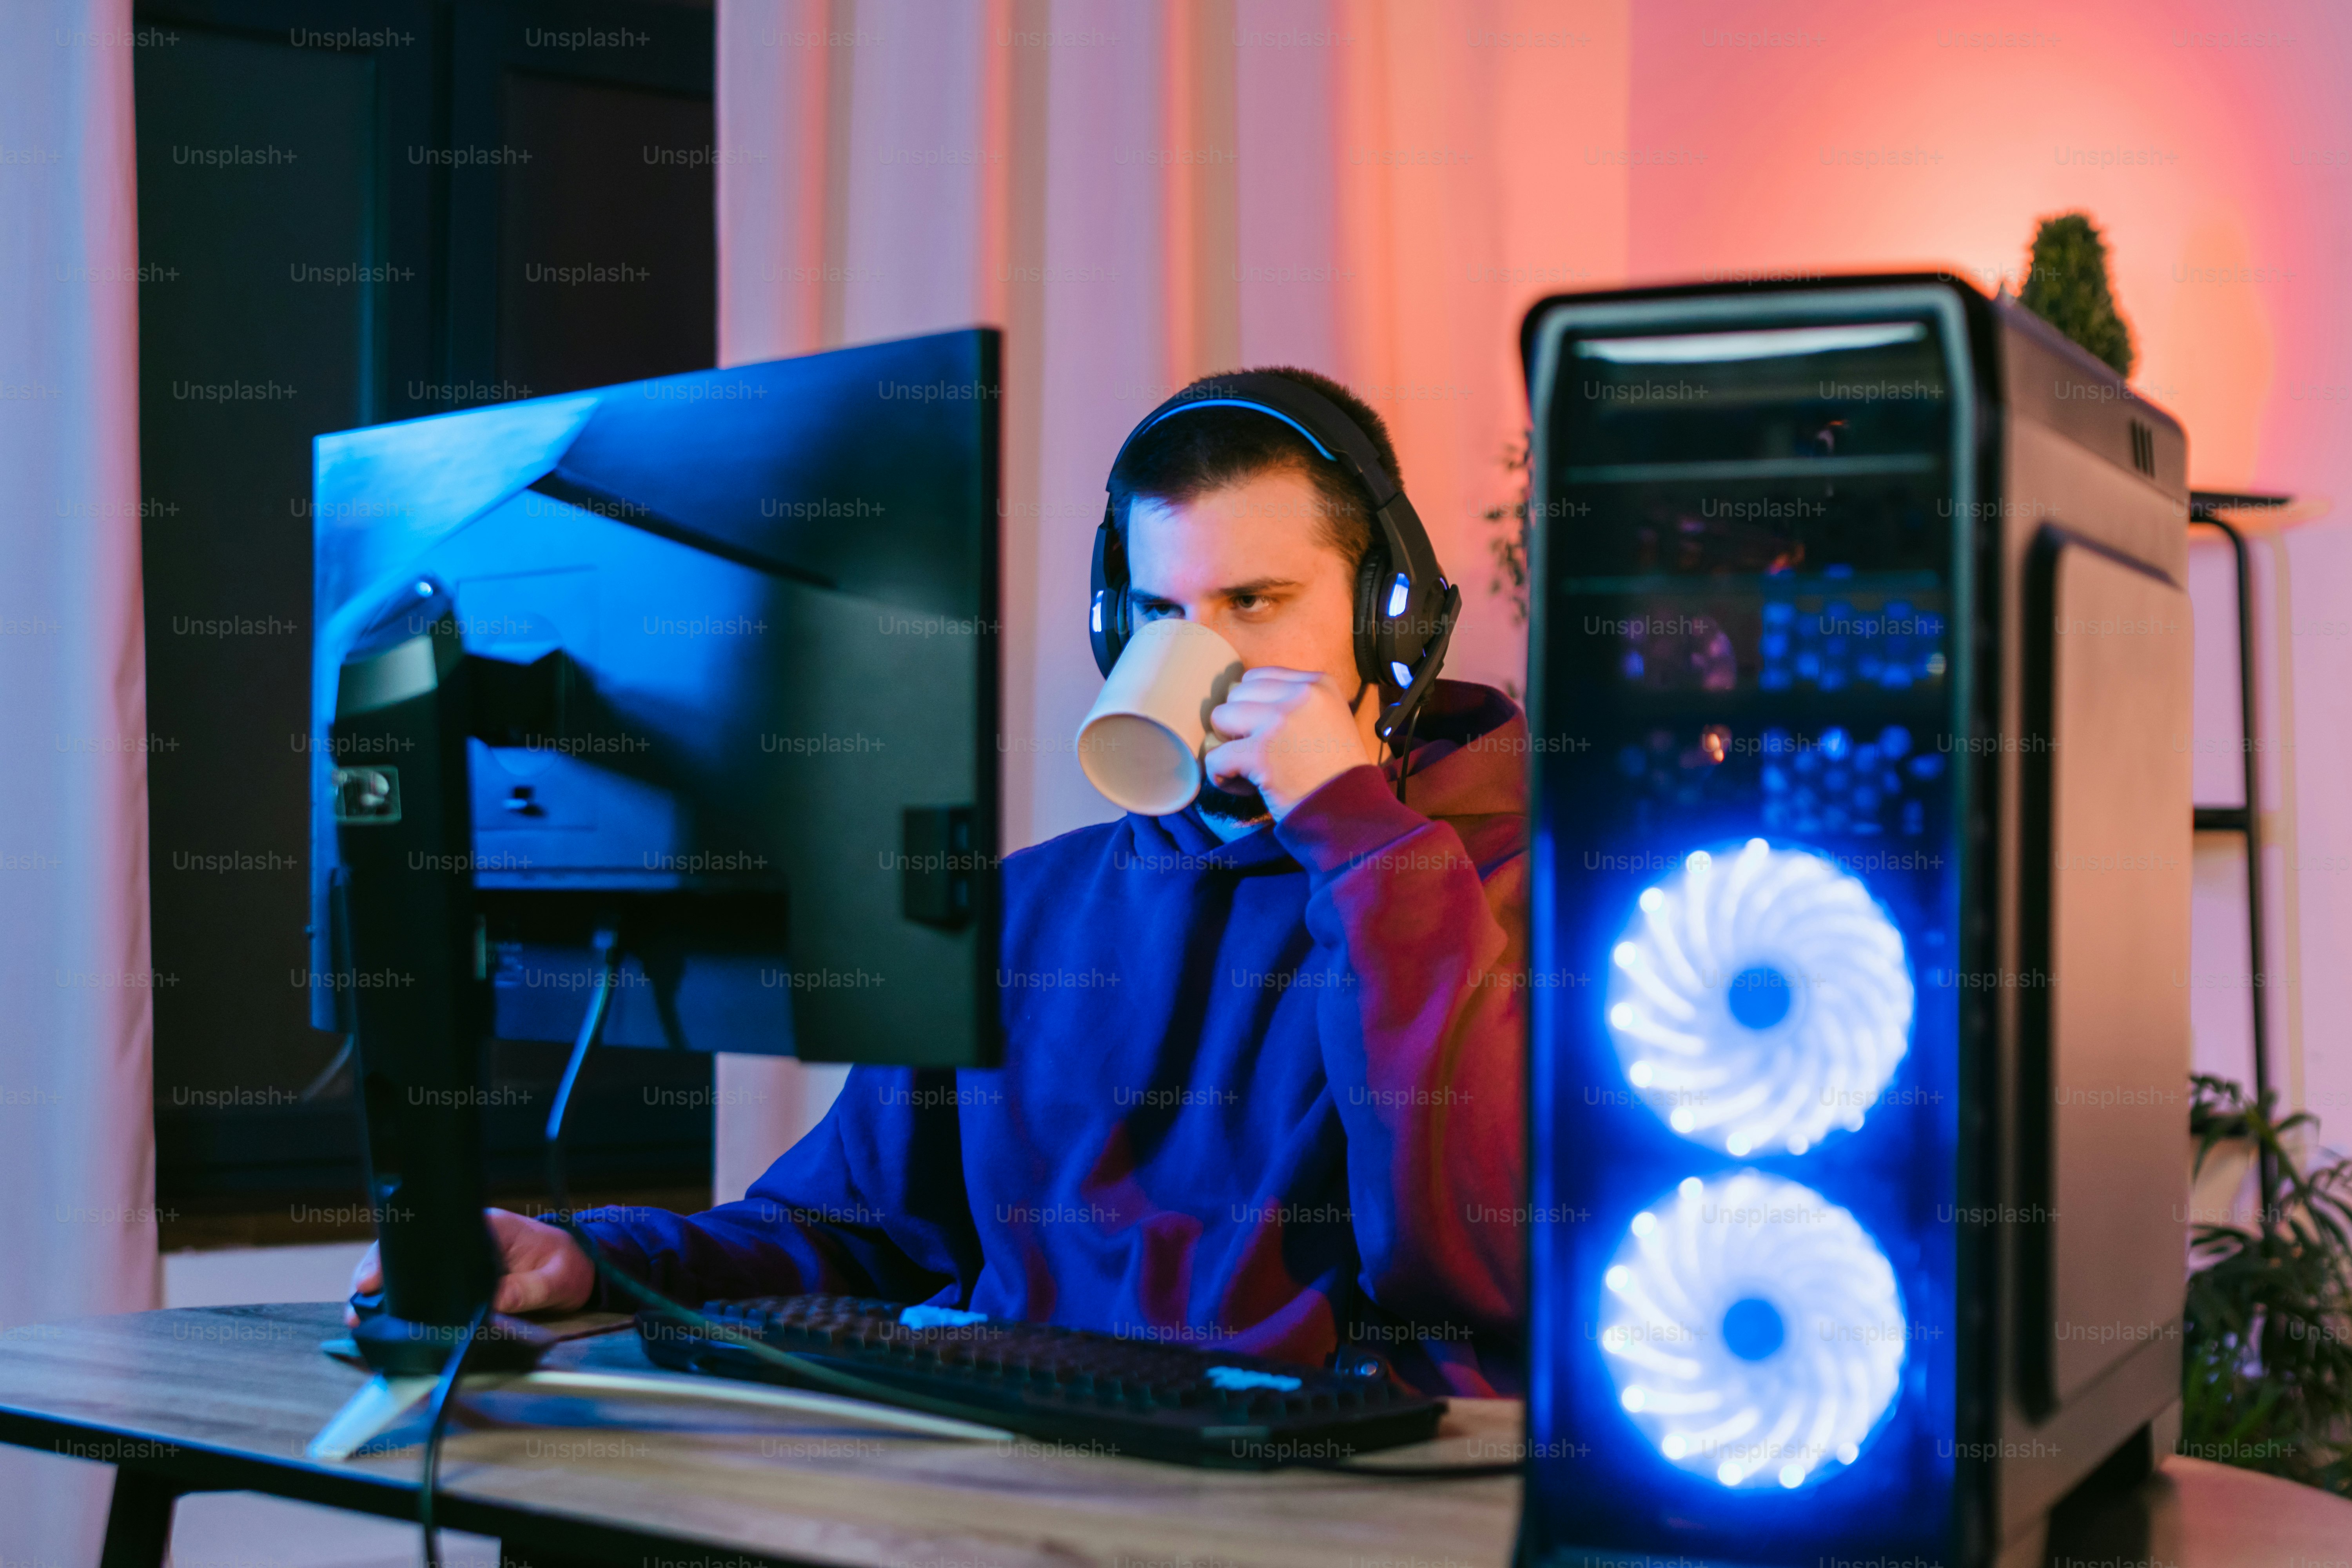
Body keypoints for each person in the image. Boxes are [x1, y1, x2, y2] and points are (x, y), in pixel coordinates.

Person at [350, 367, 1530, 1394]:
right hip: (1024, 1477)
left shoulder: (1517, 887)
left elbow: (1479, 1266)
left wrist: (1357, 839)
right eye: (1163, 611)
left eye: (1252, 604)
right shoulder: (1031, 910)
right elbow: (848, 1228)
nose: (1201, 655)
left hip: (1335, 1503)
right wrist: (592, 1256)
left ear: (1392, 622)